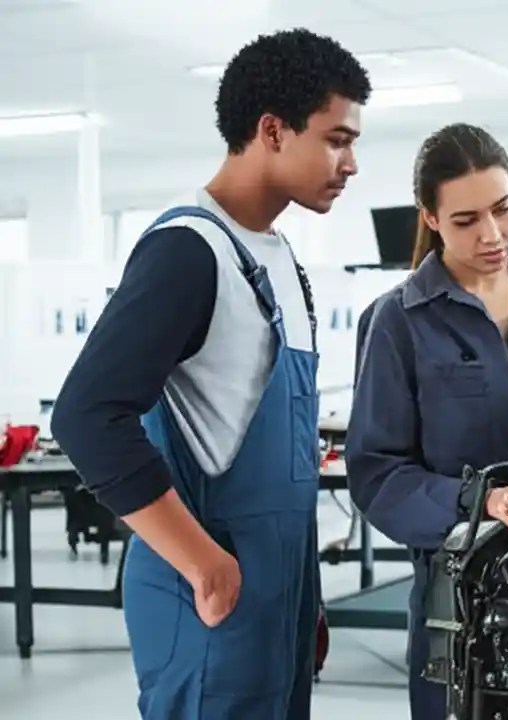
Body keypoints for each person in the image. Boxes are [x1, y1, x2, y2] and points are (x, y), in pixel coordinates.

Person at [50, 29, 370, 719]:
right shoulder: (188, 251)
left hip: (275, 592)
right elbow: (86, 416)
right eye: (337, 139)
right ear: (273, 130)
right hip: (208, 597)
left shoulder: (279, 256)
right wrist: (204, 563)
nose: (349, 164)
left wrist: (301, 595)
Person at [344, 122, 508, 719]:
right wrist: (478, 499)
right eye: (466, 220)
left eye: (503, 209)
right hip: (459, 598)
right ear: (430, 218)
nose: (492, 235)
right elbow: (378, 476)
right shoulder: (397, 323)